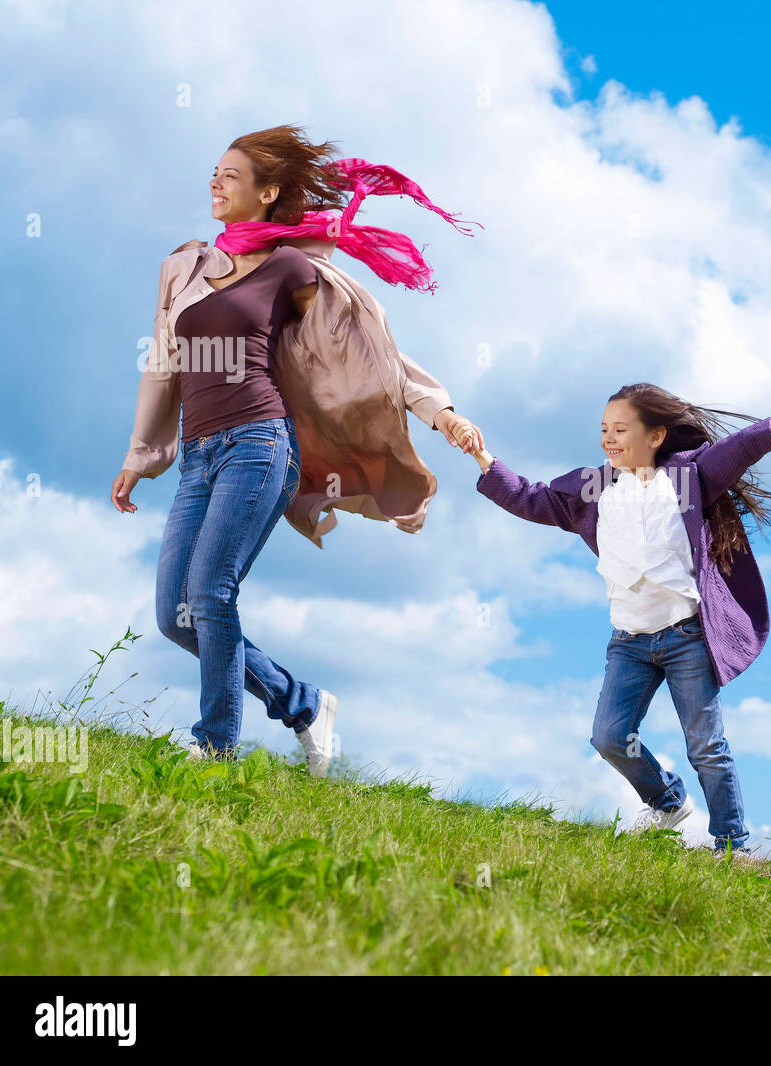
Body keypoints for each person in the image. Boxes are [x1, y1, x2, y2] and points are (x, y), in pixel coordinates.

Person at [110, 125, 483, 774]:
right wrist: (141, 453)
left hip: (259, 445)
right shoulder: (185, 267)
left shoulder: (292, 269)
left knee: (210, 593)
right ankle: (304, 704)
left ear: (269, 191)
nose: (215, 182)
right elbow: (164, 360)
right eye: (214, 171)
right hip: (198, 455)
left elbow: (371, 353)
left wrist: (439, 410)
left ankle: (215, 743)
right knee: (176, 616)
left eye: (230, 174)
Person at [471, 382, 771, 854]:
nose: (608, 438)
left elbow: (745, 445)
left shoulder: (687, 479)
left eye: (621, 429)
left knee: (705, 746)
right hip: (629, 641)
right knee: (609, 736)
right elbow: (531, 498)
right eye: (604, 429)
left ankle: (733, 846)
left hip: (686, 637)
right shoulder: (594, 488)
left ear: (656, 436)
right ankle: (667, 802)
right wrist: (484, 459)